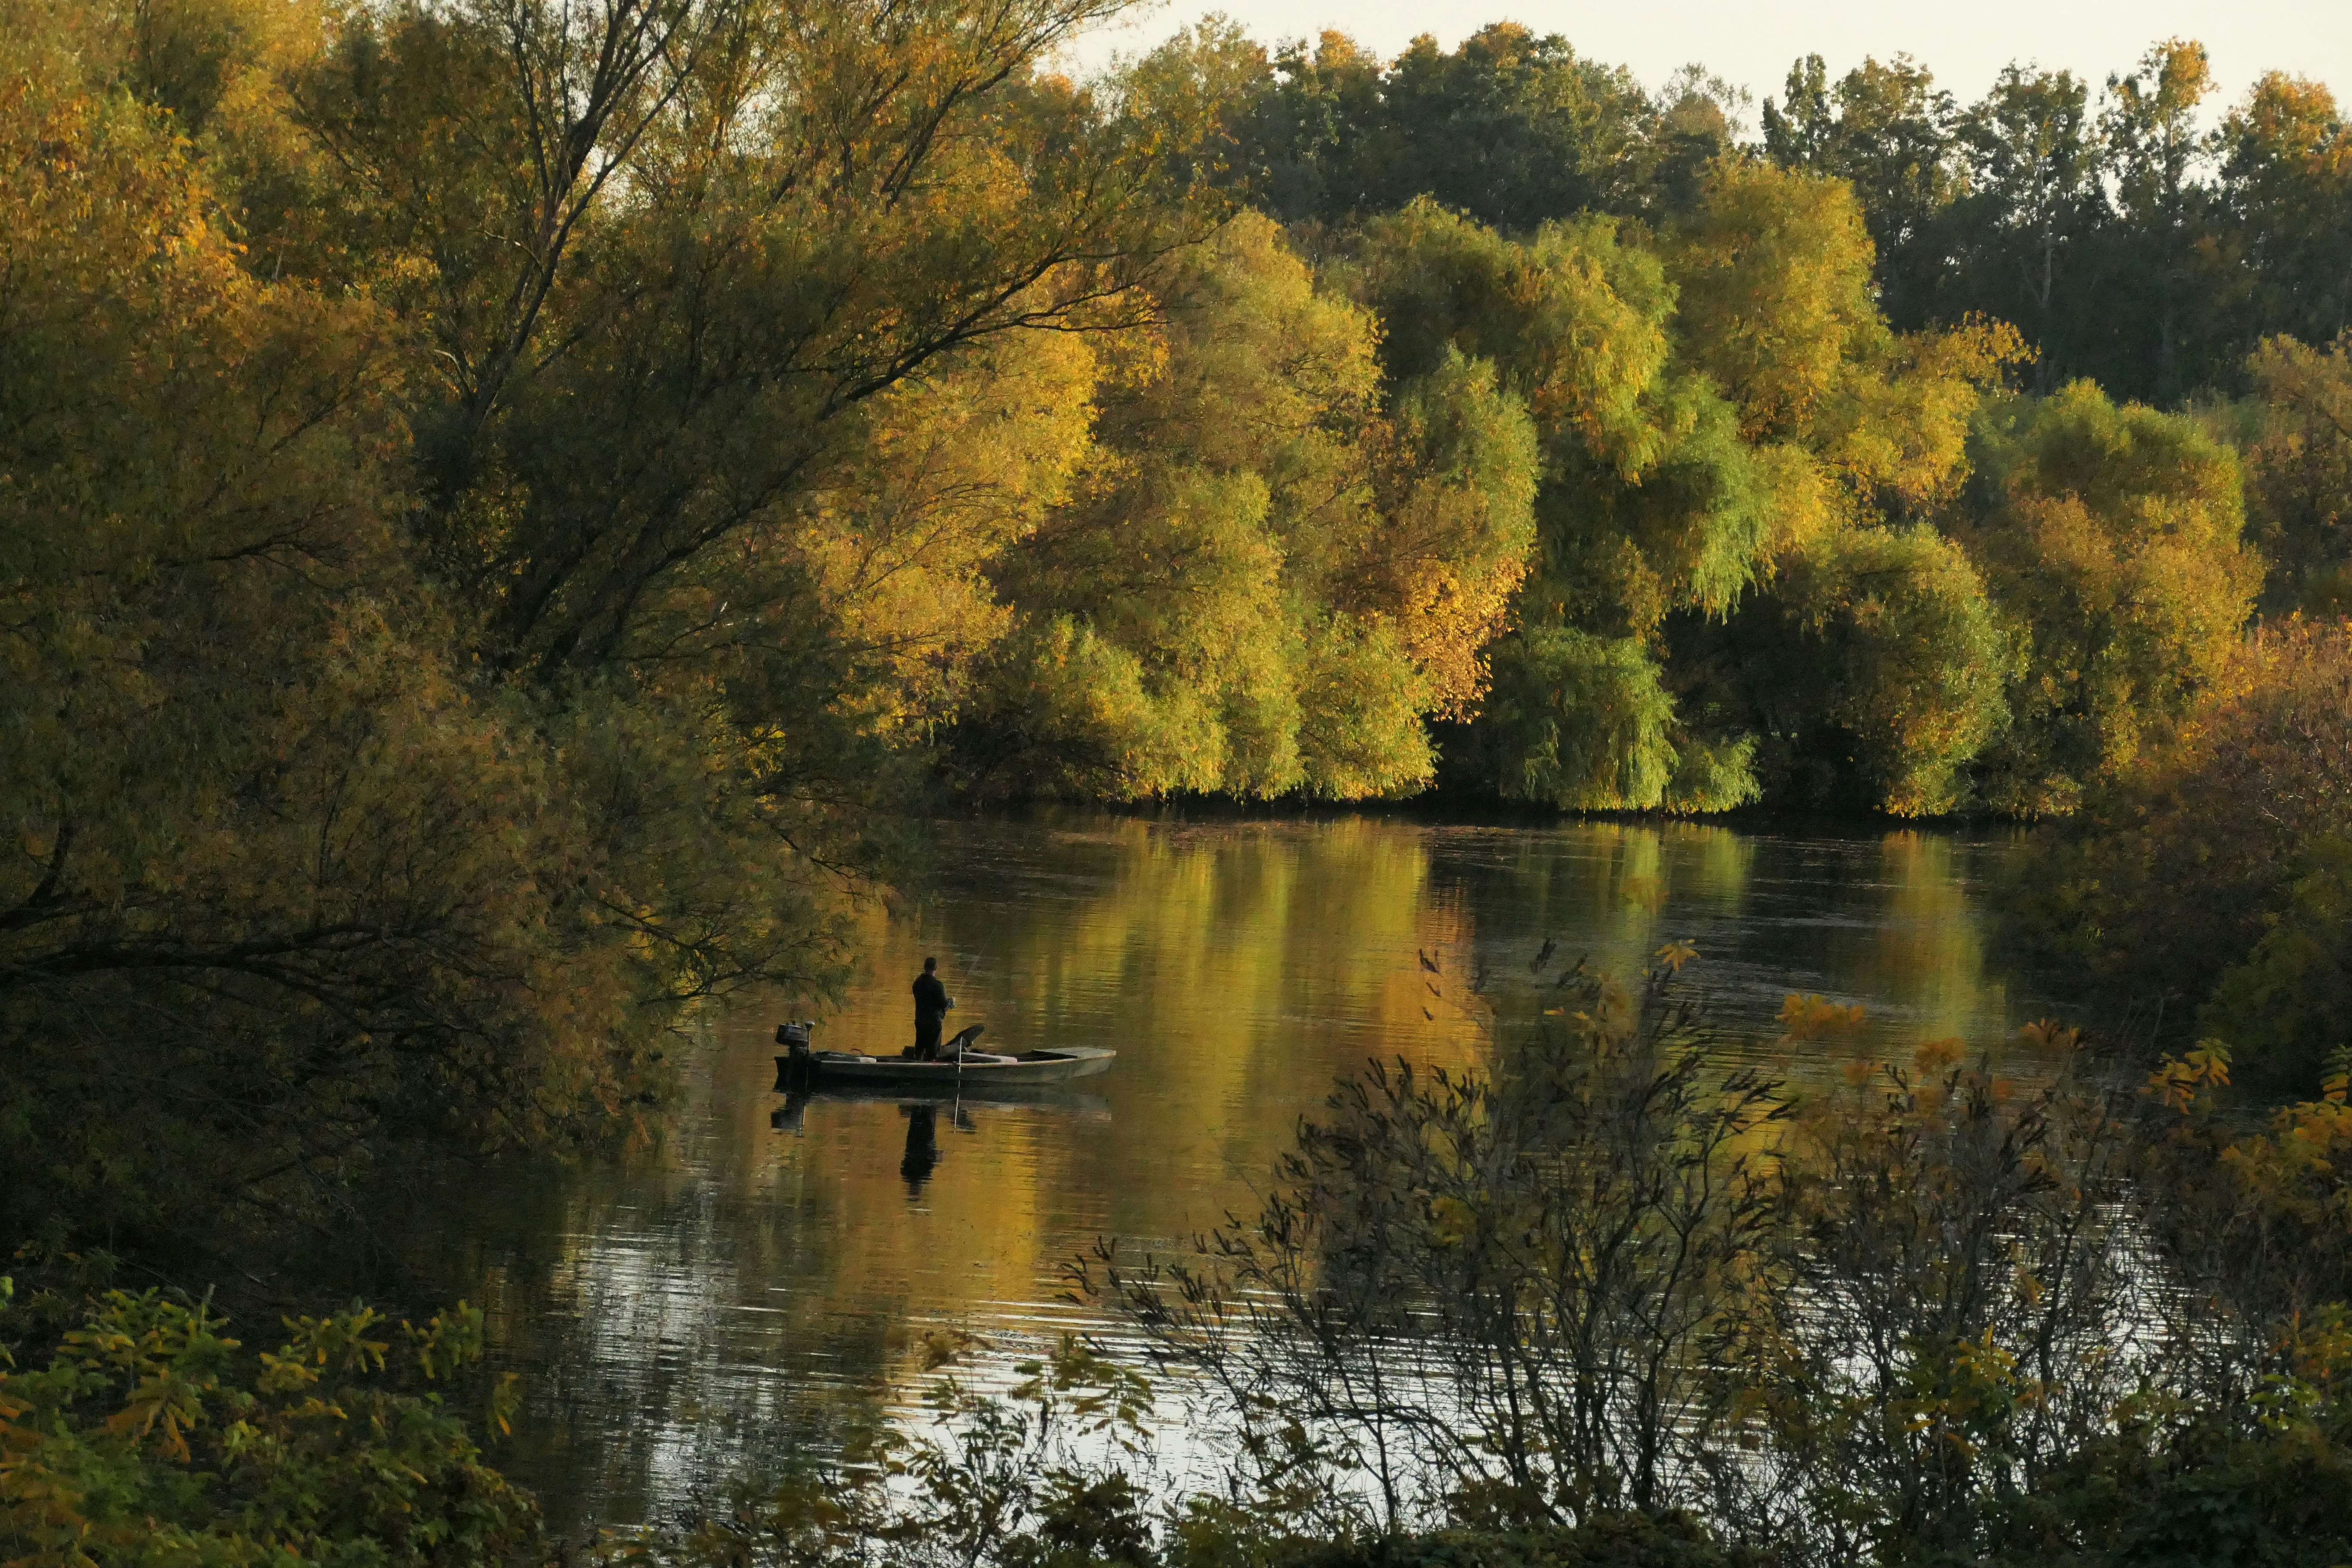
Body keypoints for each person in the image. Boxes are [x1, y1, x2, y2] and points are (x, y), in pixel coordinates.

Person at [911, 956, 952, 1060]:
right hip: (934, 1023)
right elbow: (944, 1004)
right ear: (936, 969)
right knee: (933, 1052)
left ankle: (917, 1065)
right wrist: (952, 1001)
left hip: (920, 1020)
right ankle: (931, 1068)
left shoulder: (917, 984)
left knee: (920, 1049)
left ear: (925, 968)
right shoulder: (938, 985)